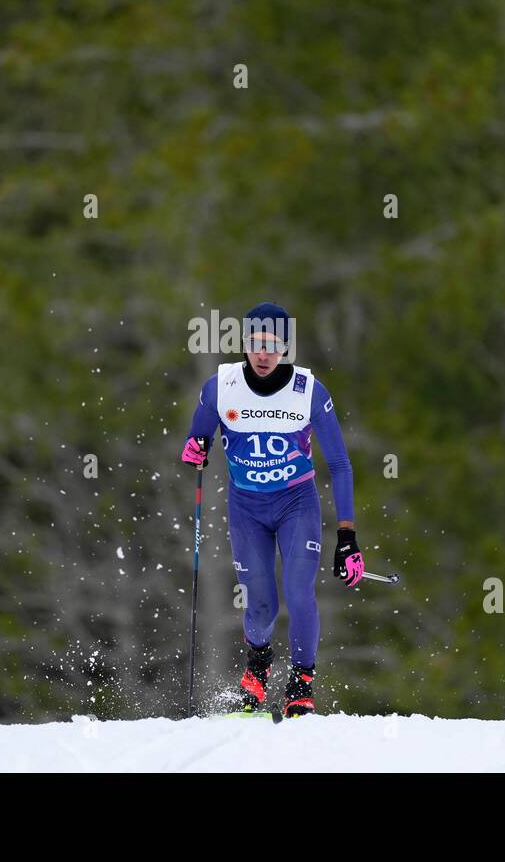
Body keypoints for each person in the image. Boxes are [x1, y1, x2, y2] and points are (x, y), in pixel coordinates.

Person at [180, 301, 363, 717]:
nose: (263, 354)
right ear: (244, 343)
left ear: (285, 347)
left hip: (296, 504)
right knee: (259, 604)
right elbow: (198, 440)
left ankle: (300, 684)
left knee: (299, 594)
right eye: (255, 343)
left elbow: (340, 465)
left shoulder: (308, 391)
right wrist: (195, 450)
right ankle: (257, 673)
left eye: (273, 344)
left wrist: (348, 538)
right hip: (247, 508)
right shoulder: (220, 387)